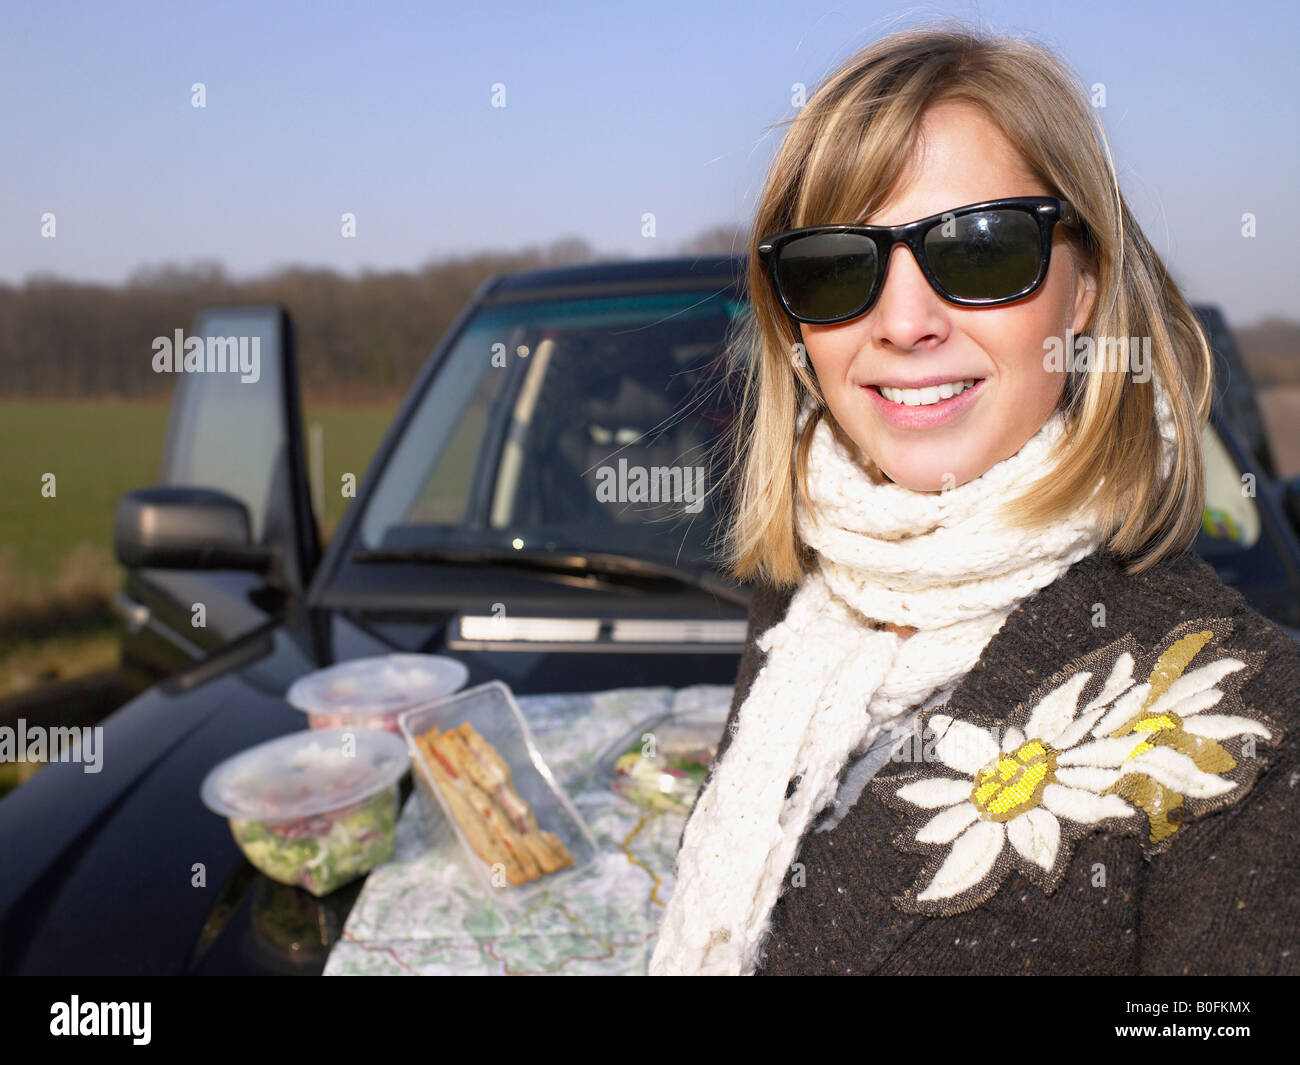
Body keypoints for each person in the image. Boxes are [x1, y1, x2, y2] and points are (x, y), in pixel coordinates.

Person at [649, 22, 1300, 976]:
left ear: (1083, 287)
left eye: (982, 248)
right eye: (837, 266)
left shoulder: (1256, 718)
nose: (905, 321)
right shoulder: (812, 597)